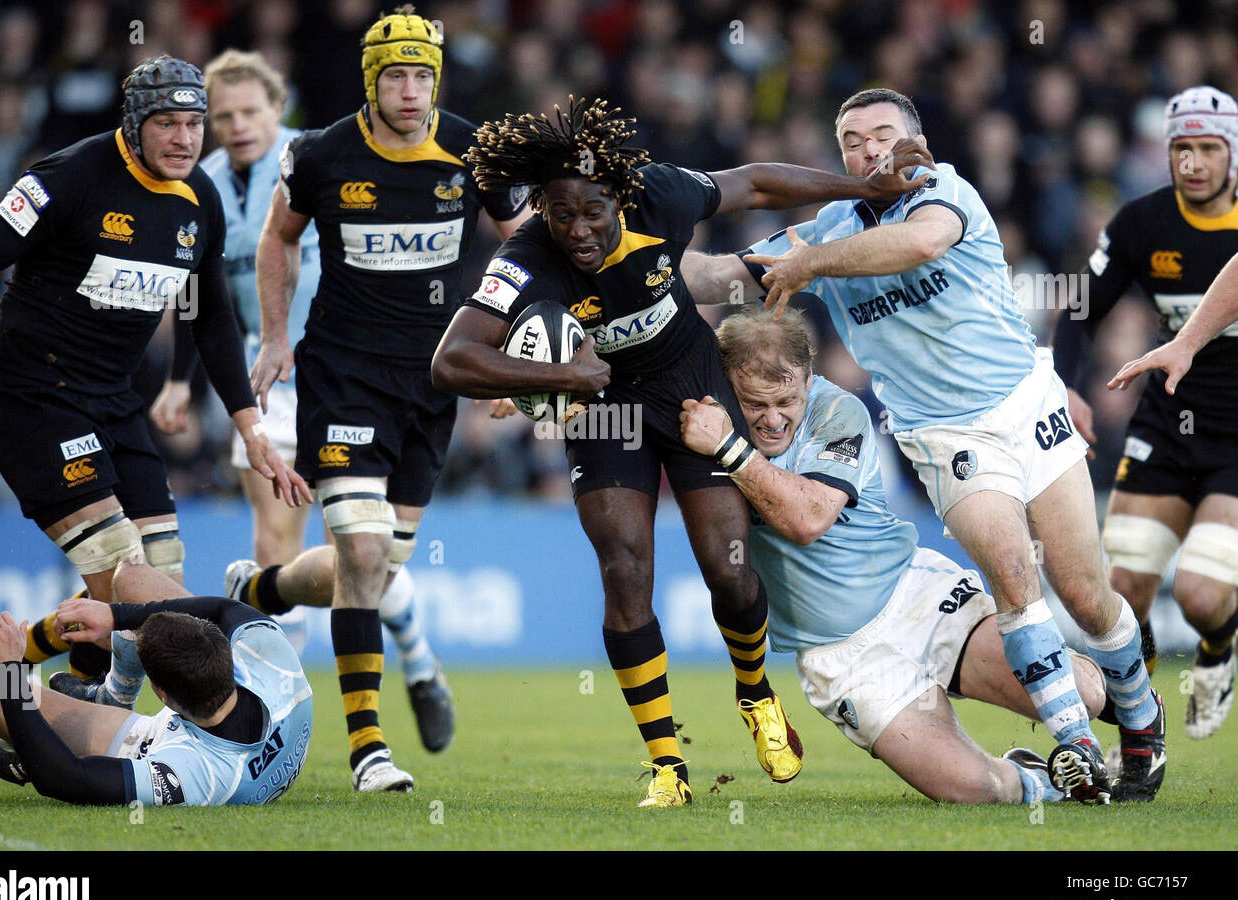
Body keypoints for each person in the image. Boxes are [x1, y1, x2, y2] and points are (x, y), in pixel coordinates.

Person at [431, 96, 934, 807]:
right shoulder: (524, 259)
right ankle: (668, 764)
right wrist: (556, 378)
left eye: (593, 213)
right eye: (561, 214)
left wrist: (865, 187)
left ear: (619, 197)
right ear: (542, 208)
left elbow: (754, 182)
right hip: (604, 408)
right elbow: (449, 361)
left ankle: (755, 694)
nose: (579, 231)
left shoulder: (660, 193)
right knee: (624, 566)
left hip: (688, 383)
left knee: (727, 566)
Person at [682, 87, 1165, 803]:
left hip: (1023, 403)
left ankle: (1143, 722)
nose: (868, 149)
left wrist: (811, 263)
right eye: (851, 140)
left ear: (913, 141)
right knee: (1012, 574)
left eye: (881, 134)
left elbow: (919, 243)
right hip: (944, 436)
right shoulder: (827, 227)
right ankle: (1078, 753)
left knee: (1087, 596)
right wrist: (637, 257)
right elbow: (718, 277)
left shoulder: (943, 193)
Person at [0, 56, 308, 691]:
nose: (185, 139)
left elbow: (212, 315)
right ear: (135, 127)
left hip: (114, 405)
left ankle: (59, 674)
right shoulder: (66, 177)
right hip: (30, 399)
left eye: (195, 124)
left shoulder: (200, 199)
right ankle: (112, 719)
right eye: (168, 124)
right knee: (125, 571)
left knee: (161, 571)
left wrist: (250, 429)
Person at [236, 7, 530, 792]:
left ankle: (255, 589)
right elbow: (279, 238)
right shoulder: (323, 154)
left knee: (367, 567)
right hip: (344, 377)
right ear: (372, 80)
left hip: (435, 384)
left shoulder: (473, 151)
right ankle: (368, 748)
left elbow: (526, 241)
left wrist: (522, 349)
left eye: (422, 75)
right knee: (363, 555)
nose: (410, 91)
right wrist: (273, 338)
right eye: (395, 75)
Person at [148, 49, 454, 751]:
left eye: (250, 111)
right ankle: (273, 718)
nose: (236, 125)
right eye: (221, 117)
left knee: (362, 556)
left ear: (277, 108)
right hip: (263, 373)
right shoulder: (200, 184)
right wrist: (180, 381)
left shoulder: (320, 159)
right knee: (284, 535)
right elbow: (206, 295)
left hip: (344, 369)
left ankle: (416, 659)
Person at [678, 305, 1107, 803]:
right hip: (840, 656)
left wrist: (730, 448)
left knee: (1086, 695)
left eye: (786, 400)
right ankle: (1043, 779)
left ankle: (1127, 697)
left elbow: (807, 519)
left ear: (809, 378)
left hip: (915, 596)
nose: (773, 419)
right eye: (755, 403)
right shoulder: (708, 418)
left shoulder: (836, 412)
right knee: (976, 790)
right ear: (728, 385)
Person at [1056, 86, 1238, 739]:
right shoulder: (1140, 223)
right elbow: (1079, 309)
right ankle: (1143, 717)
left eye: (1207, 148)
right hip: (1168, 417)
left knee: (1199, 595)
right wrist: (1065, 387)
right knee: (1121, 590)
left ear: (1232, 154)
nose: (1192, 162)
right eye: (1180, 148)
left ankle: (1219, 650)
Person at [0, 557, 313, 806]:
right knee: (133, 574)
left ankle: (34, 751)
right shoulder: (272, 658)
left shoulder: (192, 773)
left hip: (166, 744)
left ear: (162, 695)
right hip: (235, 722)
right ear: (225, 652)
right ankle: (113, 697)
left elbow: (66, 778)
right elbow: (224, 609)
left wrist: (9, 669)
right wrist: (114, 615)